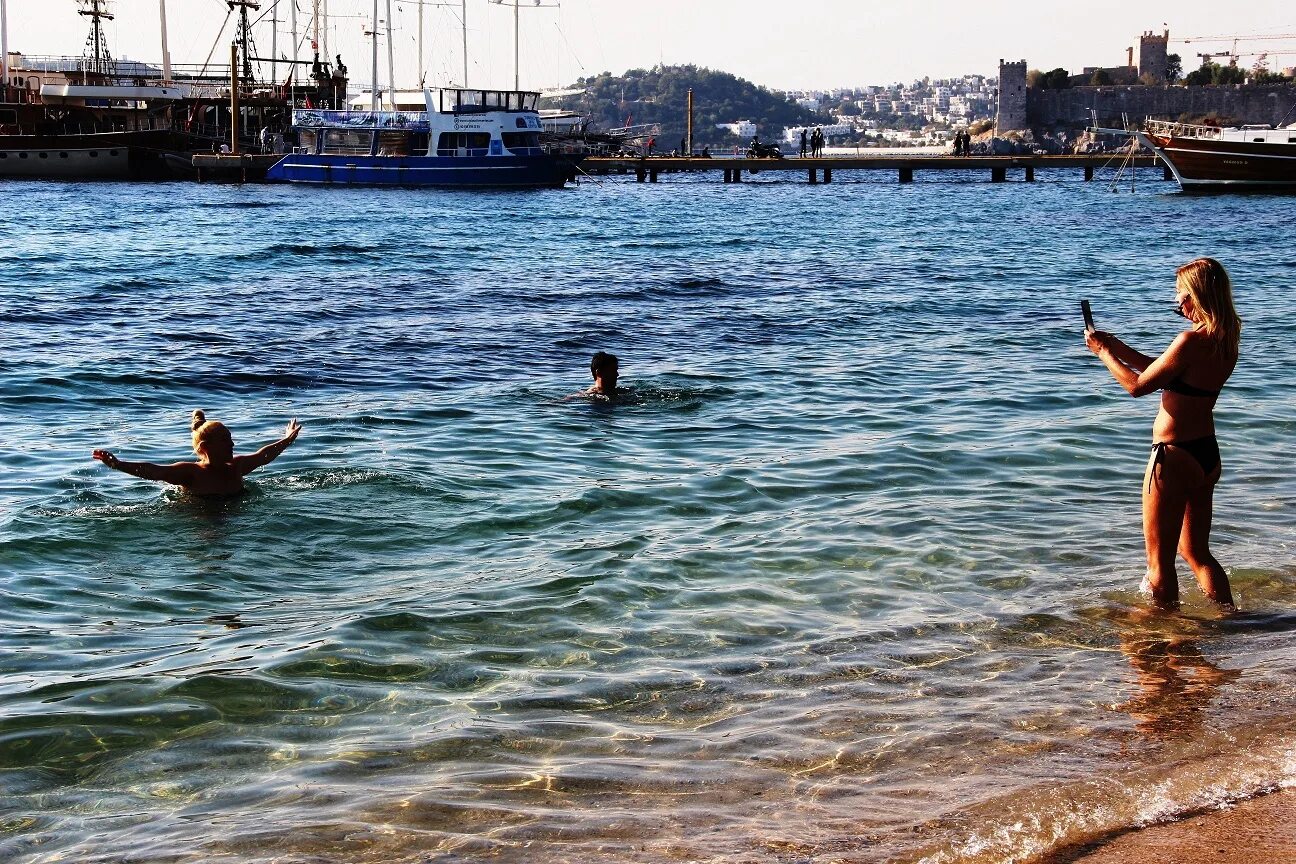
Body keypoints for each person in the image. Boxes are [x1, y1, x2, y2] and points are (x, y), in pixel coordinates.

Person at [1085, 258, 1241, 608]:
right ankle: (1230, 619)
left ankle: (1163, 641)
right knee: (1196, 552)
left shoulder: (1189, 340)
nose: (1178, 304)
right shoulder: (1224, 337)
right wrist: (1118, 347)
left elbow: (1138, 386)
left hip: (1173, 456)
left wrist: (1104, 354)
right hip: (1205, 453)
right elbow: (1169, 373)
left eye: (1180, 296)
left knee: (1159, 563)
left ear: (1197, 295)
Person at [93, 410, 303, 497]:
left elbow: (264, 455)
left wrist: (287, 439)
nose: (232, 443)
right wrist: (118, 464)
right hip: (200, 517)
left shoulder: (236, 466)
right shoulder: (191, 473)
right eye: (225, 440)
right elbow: (155, 471)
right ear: (205, 447)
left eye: (230, 438)